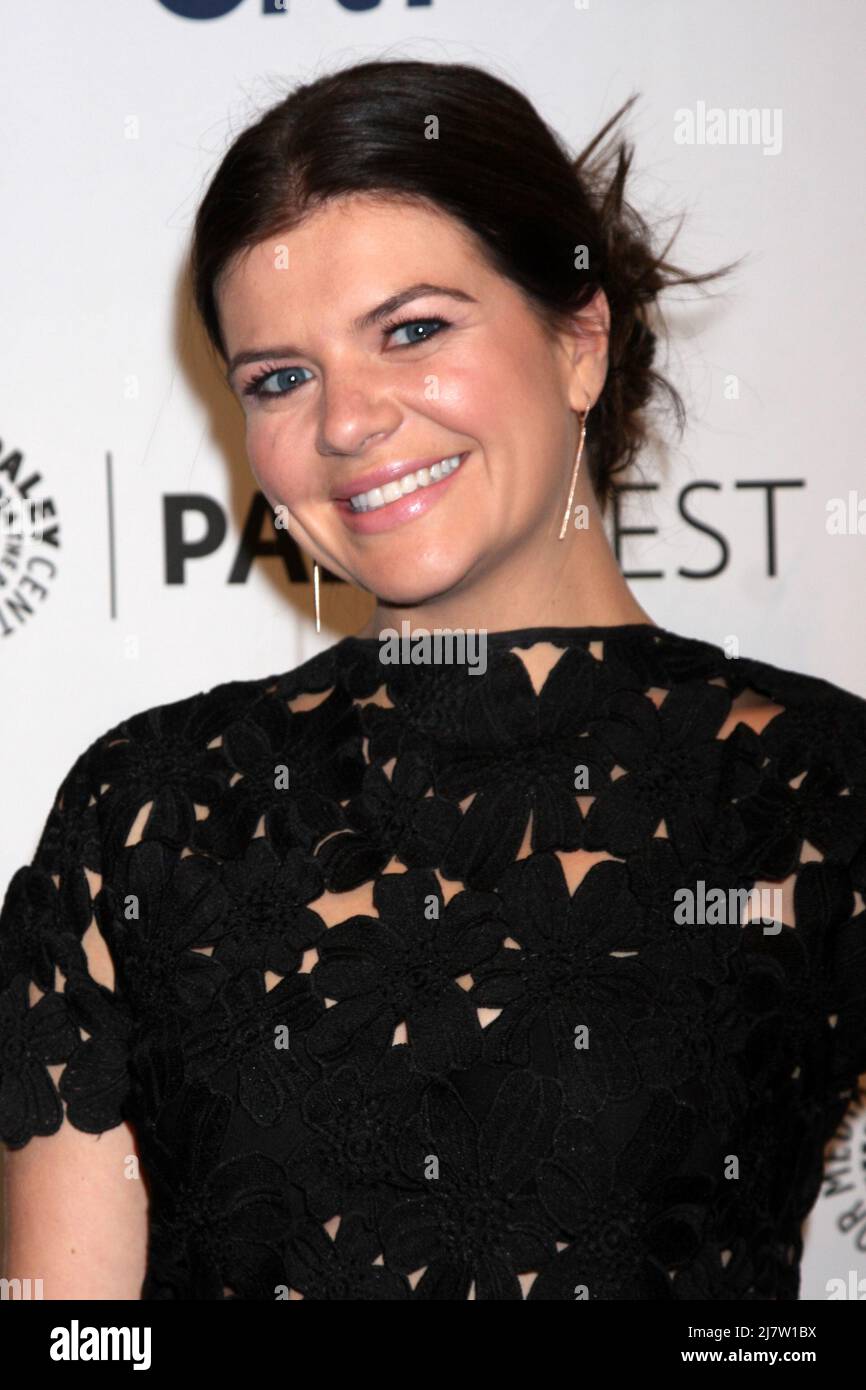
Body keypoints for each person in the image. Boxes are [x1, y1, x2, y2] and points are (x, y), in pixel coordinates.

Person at [2, 59, 865, 1301]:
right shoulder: (148, 818)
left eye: (412, 330)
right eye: (279, 378)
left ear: (579, 340)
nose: (345, 422)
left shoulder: (817, 796)